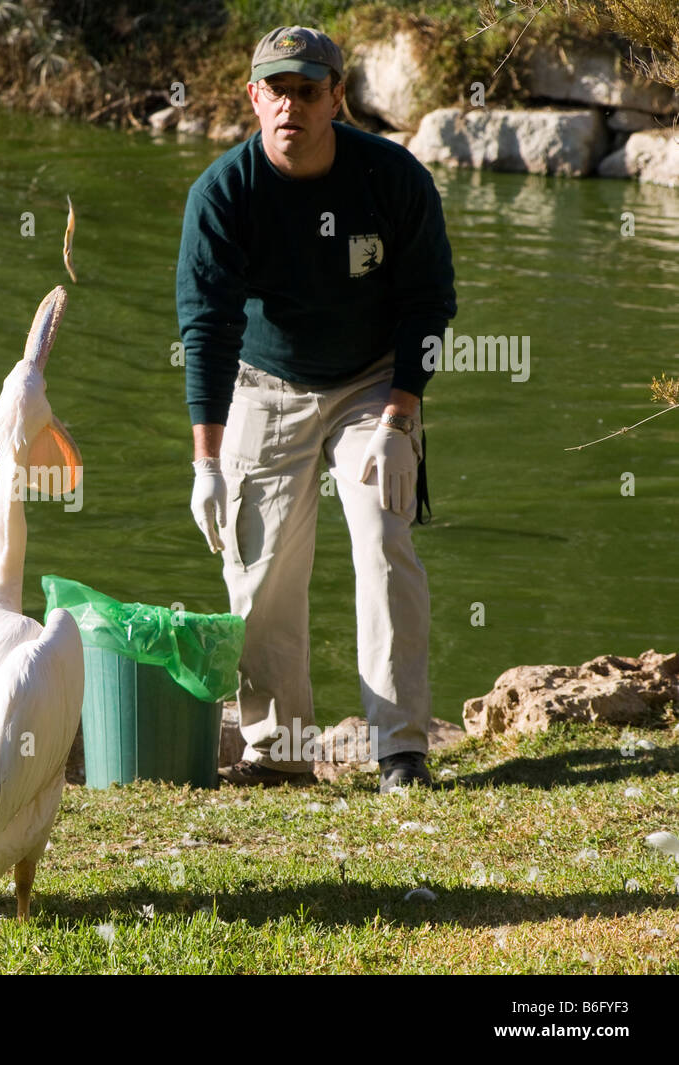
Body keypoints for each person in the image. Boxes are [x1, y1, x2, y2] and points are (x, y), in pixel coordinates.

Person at [176, 25, 456, 793]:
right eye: (276, 89)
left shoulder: (392, 179)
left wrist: (400, 423)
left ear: (338, 97)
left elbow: (429, 306)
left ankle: (400, 751)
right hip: (265, 383)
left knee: (382, 536)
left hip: (373, 383)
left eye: (308, 89)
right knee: (259, 573)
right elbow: (206, 330)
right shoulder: (224, 194)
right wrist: (206, 461)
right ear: (253, 97)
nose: (291, 104)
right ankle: (281, 753)